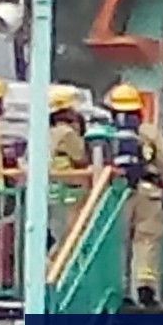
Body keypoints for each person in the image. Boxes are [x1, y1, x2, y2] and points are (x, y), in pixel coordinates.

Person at [106, 83, 163, 308]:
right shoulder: (149, 131)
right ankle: (145, 287)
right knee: (146, 241)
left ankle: (119, 291)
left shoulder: (108, 131)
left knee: (119, 242)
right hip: (148, 190)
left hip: (117, 192)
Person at [46, 86, 89, 253]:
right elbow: (80, 157)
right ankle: (54, 273)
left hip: (53, 190)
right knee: (67, 237)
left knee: (56, 233)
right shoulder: (67, 133)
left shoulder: (48, 131)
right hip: (68, 191)